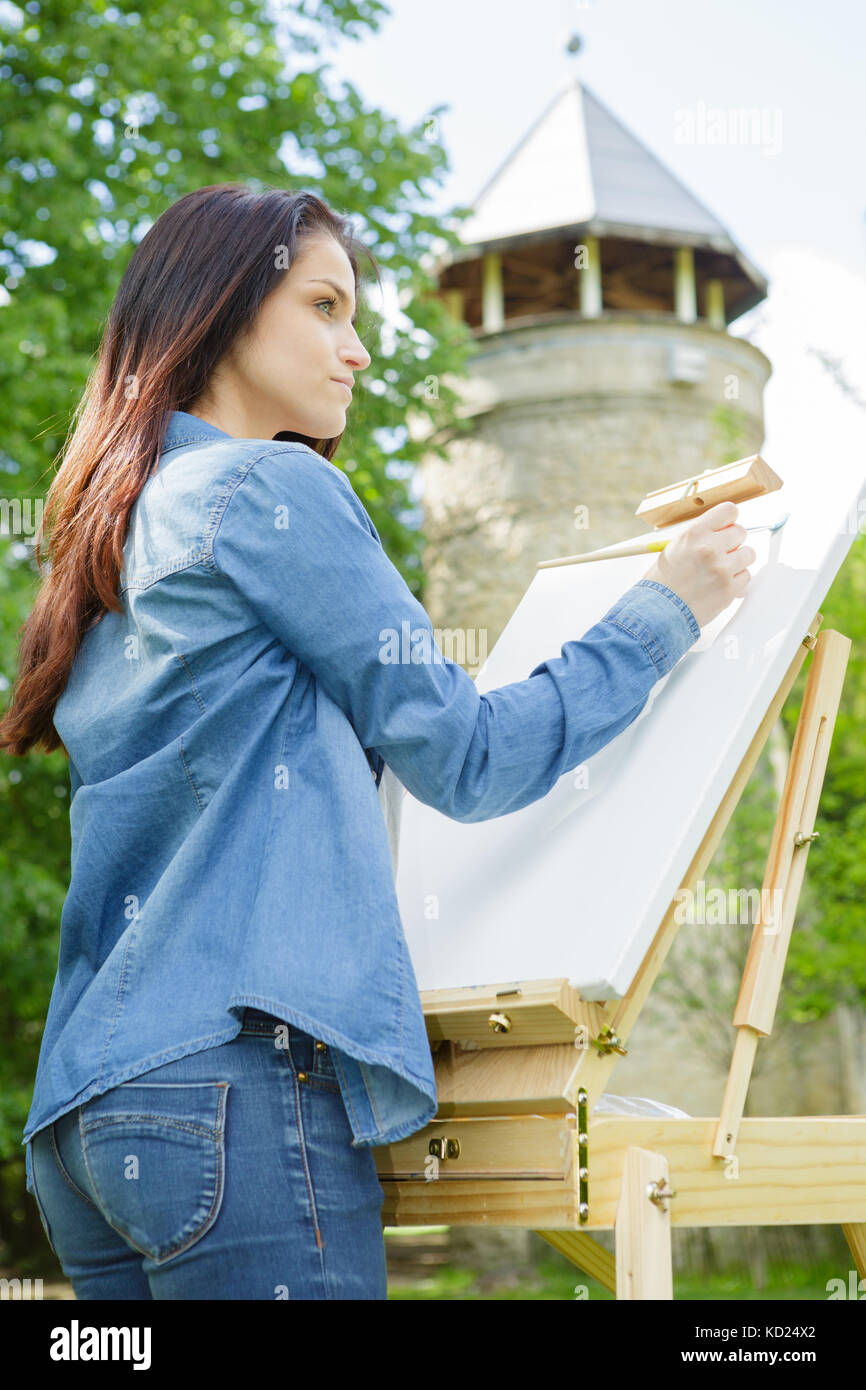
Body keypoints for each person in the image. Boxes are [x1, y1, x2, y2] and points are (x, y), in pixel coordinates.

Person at [0, 183, 755, 1300]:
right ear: (220, 306)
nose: (354, 352)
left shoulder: (117, 520)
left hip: (88, 1115)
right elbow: (471, 756)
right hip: (232, 1095)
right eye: (324, 306)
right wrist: (667, 608)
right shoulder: (265, 486)